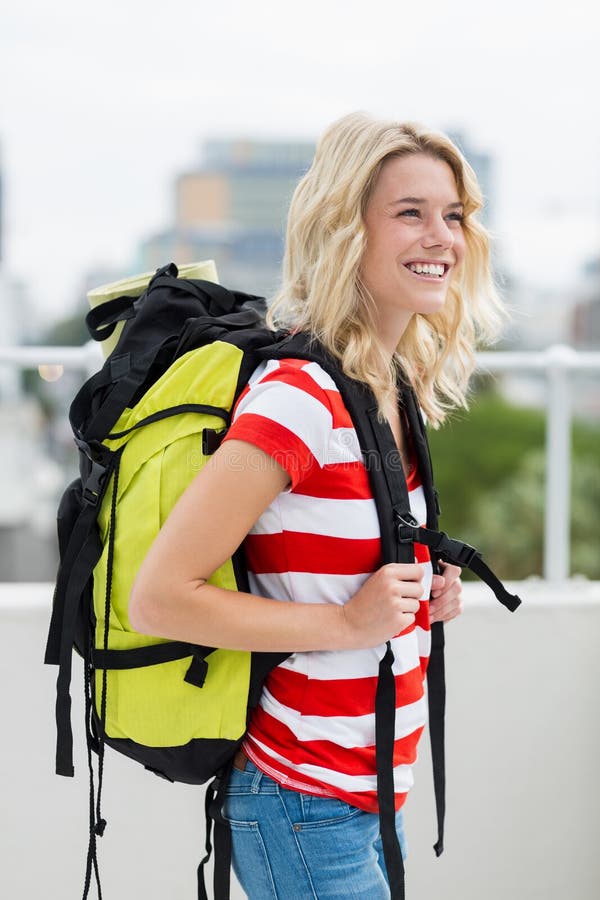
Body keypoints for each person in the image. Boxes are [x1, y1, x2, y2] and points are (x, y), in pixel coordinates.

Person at [129, 111, 506, 898]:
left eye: (454, 215)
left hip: (367, 789)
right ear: (345, 230)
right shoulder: (300, 396)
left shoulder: (389, 387)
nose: (442, 236)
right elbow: (160, 599)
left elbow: (327, 569)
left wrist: (413, 597)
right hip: (304, 797)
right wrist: (346, 622)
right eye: (410, 213)